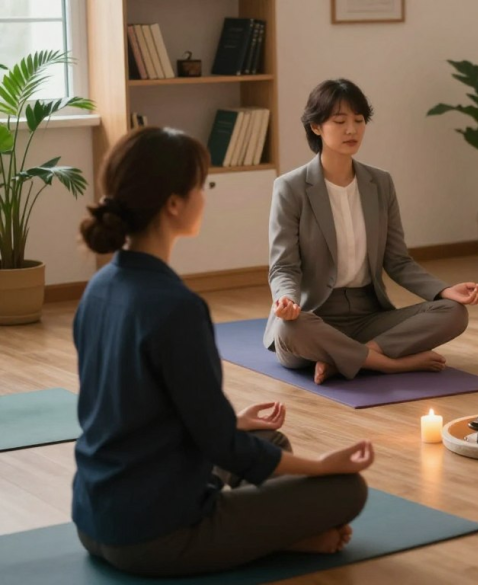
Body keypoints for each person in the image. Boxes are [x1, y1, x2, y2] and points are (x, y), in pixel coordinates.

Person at [74, 127, 374, 577]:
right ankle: (279, 538)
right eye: (200, 185)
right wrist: (320, 466)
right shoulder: (177, 307)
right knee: (346, 490)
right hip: (158, 537)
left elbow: (125, 413)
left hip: (93, 518)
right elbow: (223, 446)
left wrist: (233, 421)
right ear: (175, 203)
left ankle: (272, 531)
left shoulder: (98, 289)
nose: (203, 196)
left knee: (266, 438)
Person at [265, 78, 478, 385]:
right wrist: (286, 304)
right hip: (313, 317)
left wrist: (444, 291)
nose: (352, 130)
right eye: (340, 121)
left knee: (454, 312)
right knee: (288, 329)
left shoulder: (380, 183)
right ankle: (389, 364)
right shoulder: (291, 187)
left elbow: (398, 261)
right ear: (316, 127)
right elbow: (284, 266)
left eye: (358, 120)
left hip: (370, 317)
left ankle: (353, 358)